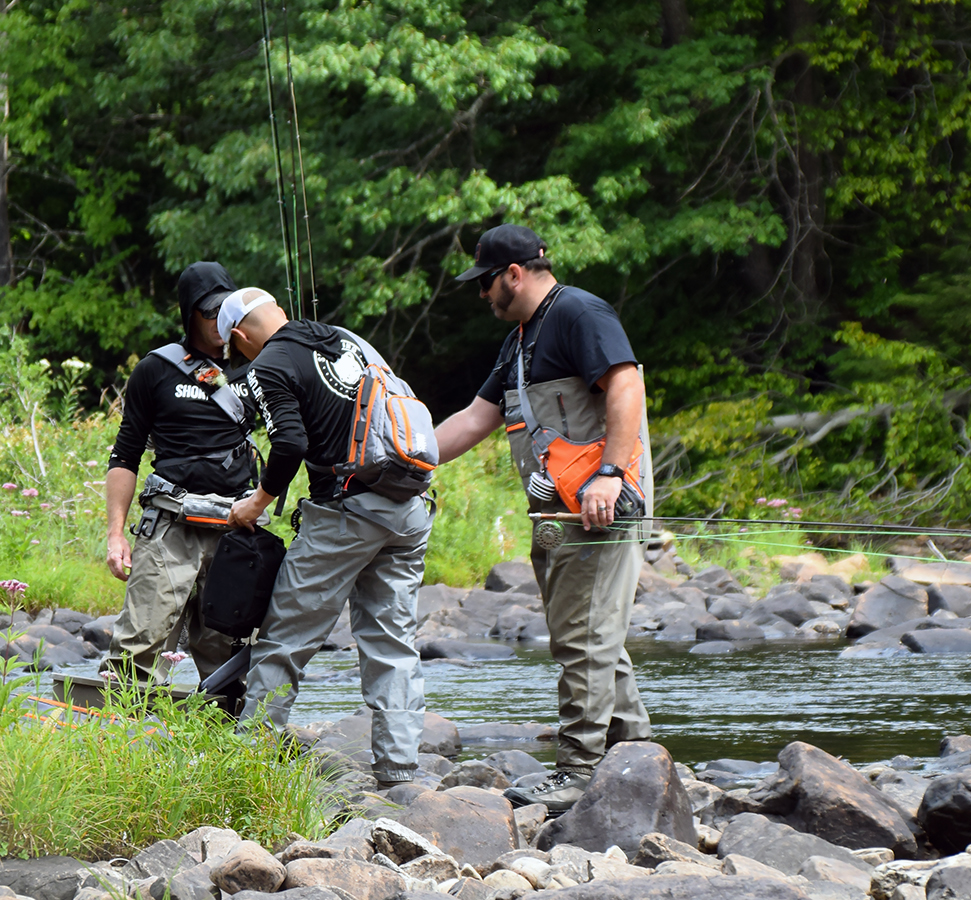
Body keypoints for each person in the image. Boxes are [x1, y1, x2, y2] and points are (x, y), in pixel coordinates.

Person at [432, 224, 653, 812]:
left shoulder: (580, 312)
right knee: (592, 635)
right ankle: (637, 758)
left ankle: (580, 768)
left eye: (484, 283)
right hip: (557, 513)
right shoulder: (518, 343)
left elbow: (626, 385)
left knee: (584, 635)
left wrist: (611, 475)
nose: (482, 295)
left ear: (513, 274)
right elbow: (473, 420)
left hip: (601, 506)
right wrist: (403, 454)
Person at [220, 288, 432, 788]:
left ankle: (248, 764)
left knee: (284, 639)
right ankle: (399, 771)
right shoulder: (344, 339)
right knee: (393, 642)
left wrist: (256, 503)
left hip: (346, 513)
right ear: (279, 311)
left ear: (239, 336)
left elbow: (289, 443)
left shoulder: (269, 364)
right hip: (408, 506)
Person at [100, 262, 259, 685]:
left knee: (228, 654)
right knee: (138, 645)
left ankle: (224, 723)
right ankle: (118, 721)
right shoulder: (156, 369)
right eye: (209, 312)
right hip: (170, 525)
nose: (219, 320)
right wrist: (116, 535)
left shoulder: (258, 367)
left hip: (235, 527)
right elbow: (125, 456)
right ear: (189, 314)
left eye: (225, 309)